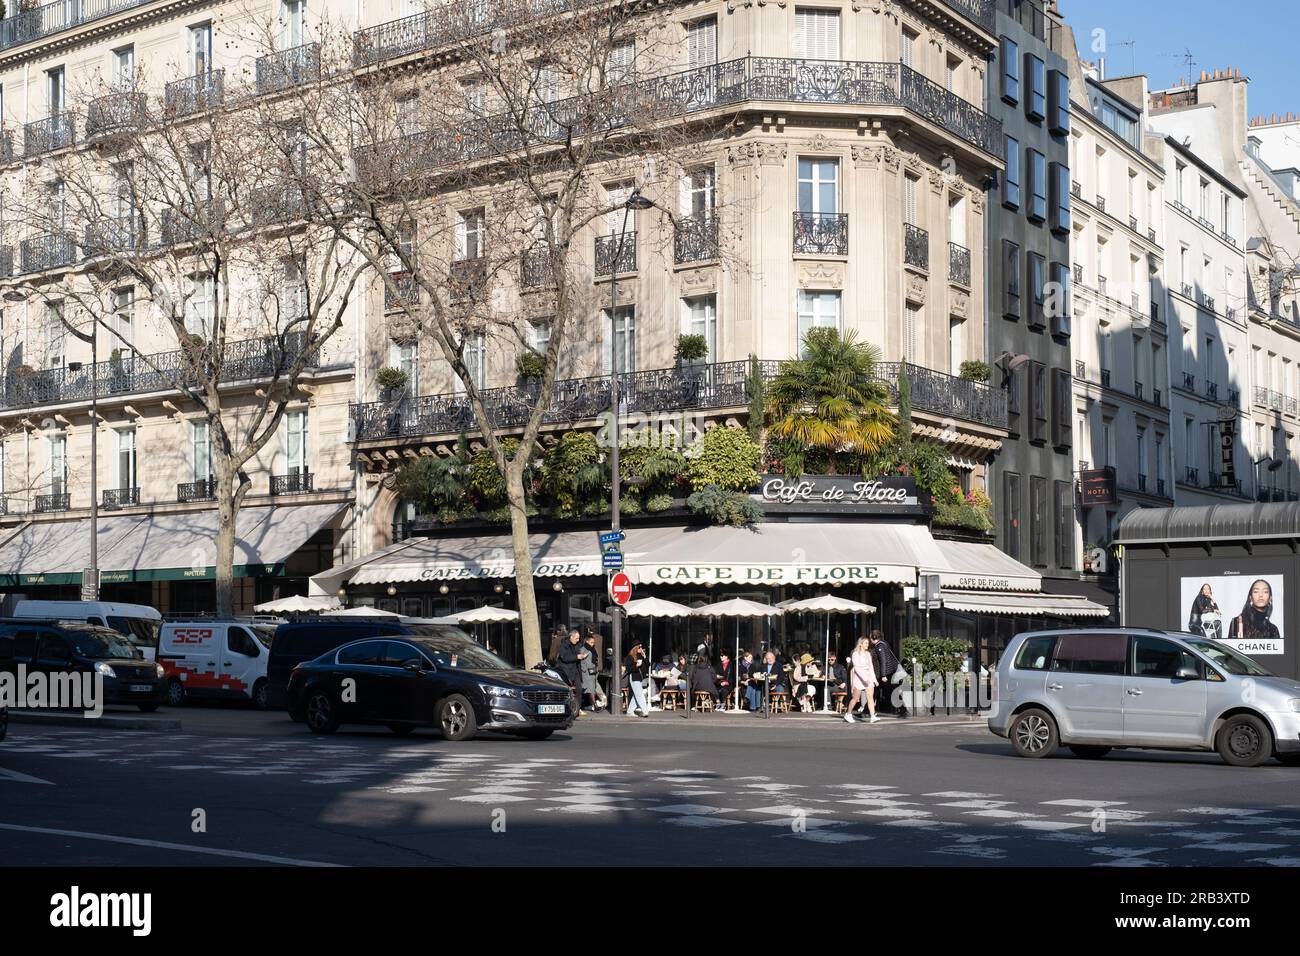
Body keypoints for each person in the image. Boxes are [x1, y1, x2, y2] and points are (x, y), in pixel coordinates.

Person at [869, 631, 908, 719]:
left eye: (871, 637)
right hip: (887, 673)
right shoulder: (883, 643)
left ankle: (903, 710)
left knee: (888, 692)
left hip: (885, 674)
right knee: (877, 692)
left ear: (874, 637)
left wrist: (883, 675)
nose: (870, 639)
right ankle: (867, 711)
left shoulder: (880, 646)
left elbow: (883, 660)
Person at [1228, 579, 1282, 643]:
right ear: (1250, 598)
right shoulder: (1237, 622)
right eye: (1256, 591)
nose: (1260, 595)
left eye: (1265, 591)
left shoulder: (1273, 629)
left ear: (1270, 598)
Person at [844, 636, 879, 723]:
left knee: (870, 697)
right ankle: (848, 714)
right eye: (866, 643)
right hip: (859, 679)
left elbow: (871, 667)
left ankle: (872, 716)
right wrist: (864, 678)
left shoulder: (868, 654)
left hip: (868, 678)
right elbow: (857, 668)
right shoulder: (855, 654)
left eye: (868, 643)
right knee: (855, 699)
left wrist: (874, 679)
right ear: (861, 644)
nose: (868, 645)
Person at [557, 629, 588, 716]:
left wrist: (582, 656)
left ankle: (578, 708)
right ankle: (565, 708)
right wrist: (577, 657)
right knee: (565, 690)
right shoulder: (564, 644)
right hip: (566, 671)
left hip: (576, 670)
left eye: (578, 638)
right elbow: (564, 658)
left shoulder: (577, 644)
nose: (578, 640)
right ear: (571, 637)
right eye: (576, 638)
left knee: (579, 690)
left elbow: (578, 654)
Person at [625, 641, 650, 717]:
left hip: (641, 677)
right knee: (639, 694)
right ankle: (645, 711)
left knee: (636, 695)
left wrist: (645, 656)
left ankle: (629, 711)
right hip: (634, 677)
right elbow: (629, 669)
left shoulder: (641, 656)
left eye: (641, 647)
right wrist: (637, 665)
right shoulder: (630, 657)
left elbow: (648, 665)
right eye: (639, 647)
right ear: (635, 648)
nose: (641, 648)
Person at [581, 631, 605, 711]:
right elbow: (583, 662)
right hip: (587, 672)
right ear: (587, 641)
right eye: (591, 642)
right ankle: (594, 705)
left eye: (593, 642)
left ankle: (591, 705)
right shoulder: (583, 649)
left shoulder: (592, 649)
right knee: (590, 689)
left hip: (593, 671)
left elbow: (595, 659)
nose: (593, 644)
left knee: (591, 688)